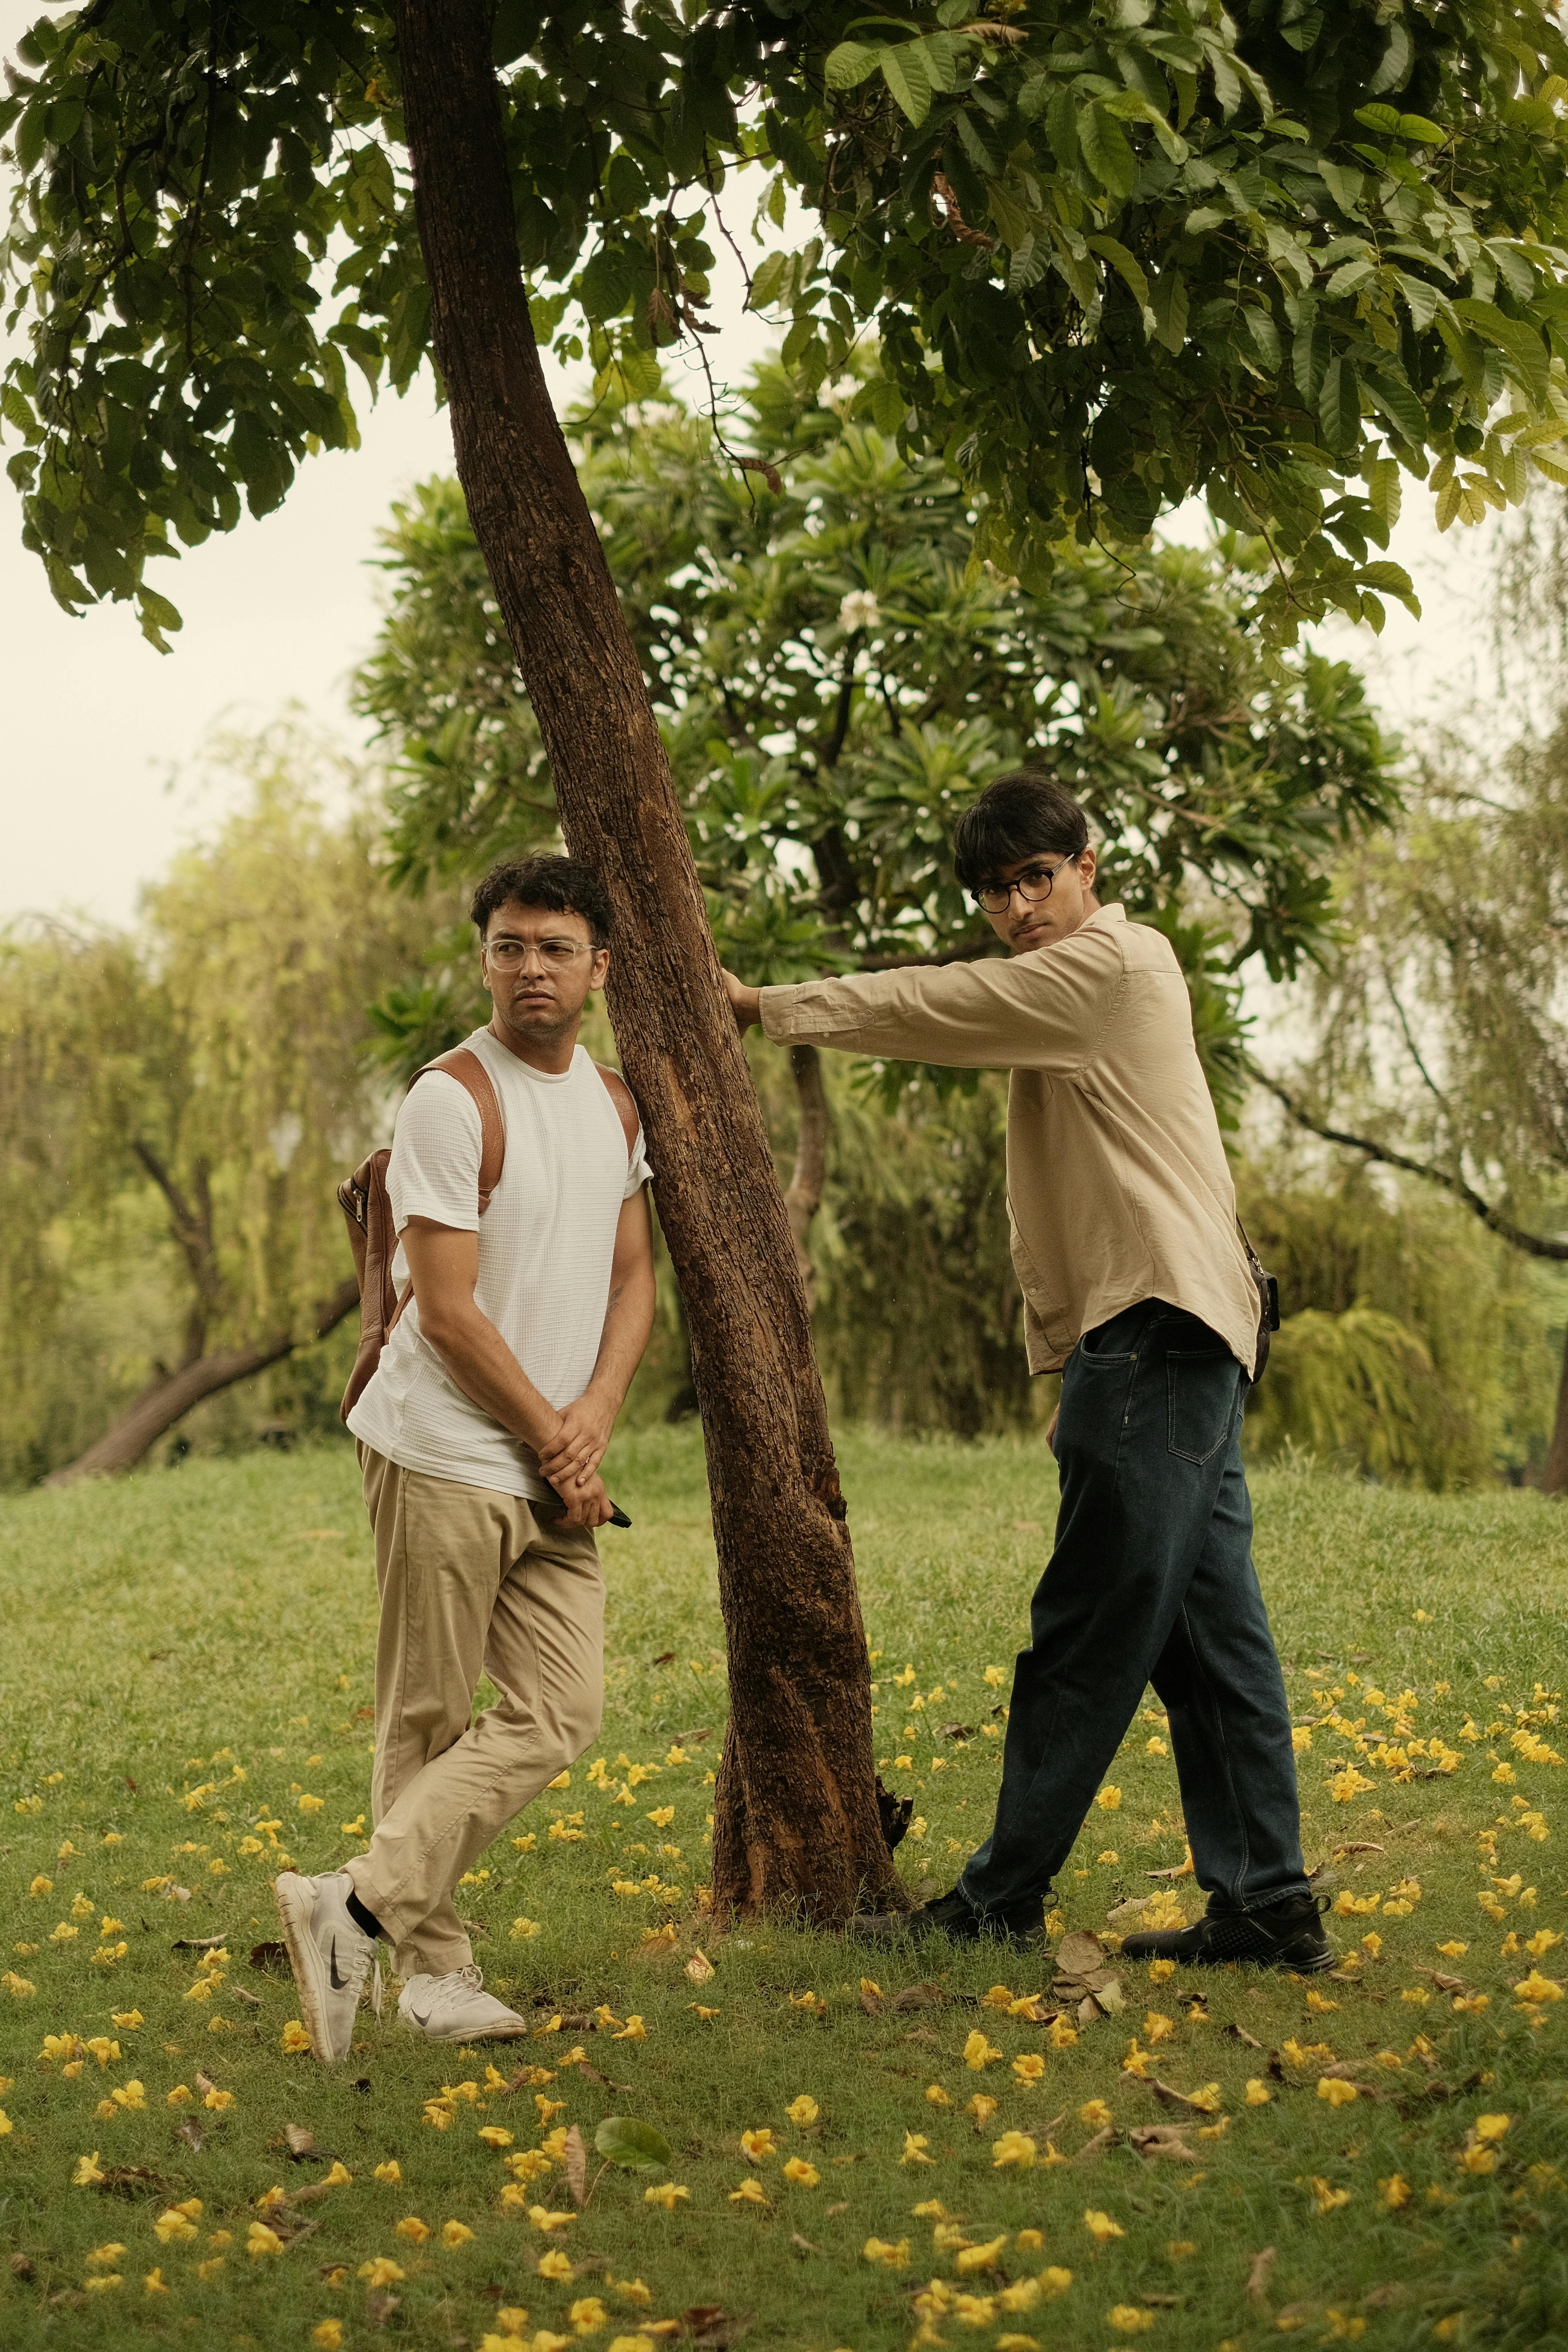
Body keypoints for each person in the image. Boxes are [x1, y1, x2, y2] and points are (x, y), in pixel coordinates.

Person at [722, 773, 1331, 1973]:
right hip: (1171, 1336)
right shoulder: (1082, 992)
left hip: (1161, 1334)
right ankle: (1267, 1906)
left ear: (1087, 865)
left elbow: (933, 1003)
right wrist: (1071, 1374)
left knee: (1087, 1631)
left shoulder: (1106, 968)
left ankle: (1000, 1899)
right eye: (994, 890)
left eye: (1034, 878)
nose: (1015, 907)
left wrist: (766, 1005)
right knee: (1214, 1644)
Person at [276, 854, 657, 2063]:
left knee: (561, 1709)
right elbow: (444, 1311)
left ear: (600, 966)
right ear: (483, 957)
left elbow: (634, 1273)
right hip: (445, 1448)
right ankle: (434, 1976)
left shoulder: (614, 1101)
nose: (528, 968)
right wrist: (558, 1440)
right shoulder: (450, 1099)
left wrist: (595, 1411)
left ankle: (352, 1905)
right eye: (507, 946)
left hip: (557, 1458)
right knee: (430, 1715)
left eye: (554, 947)